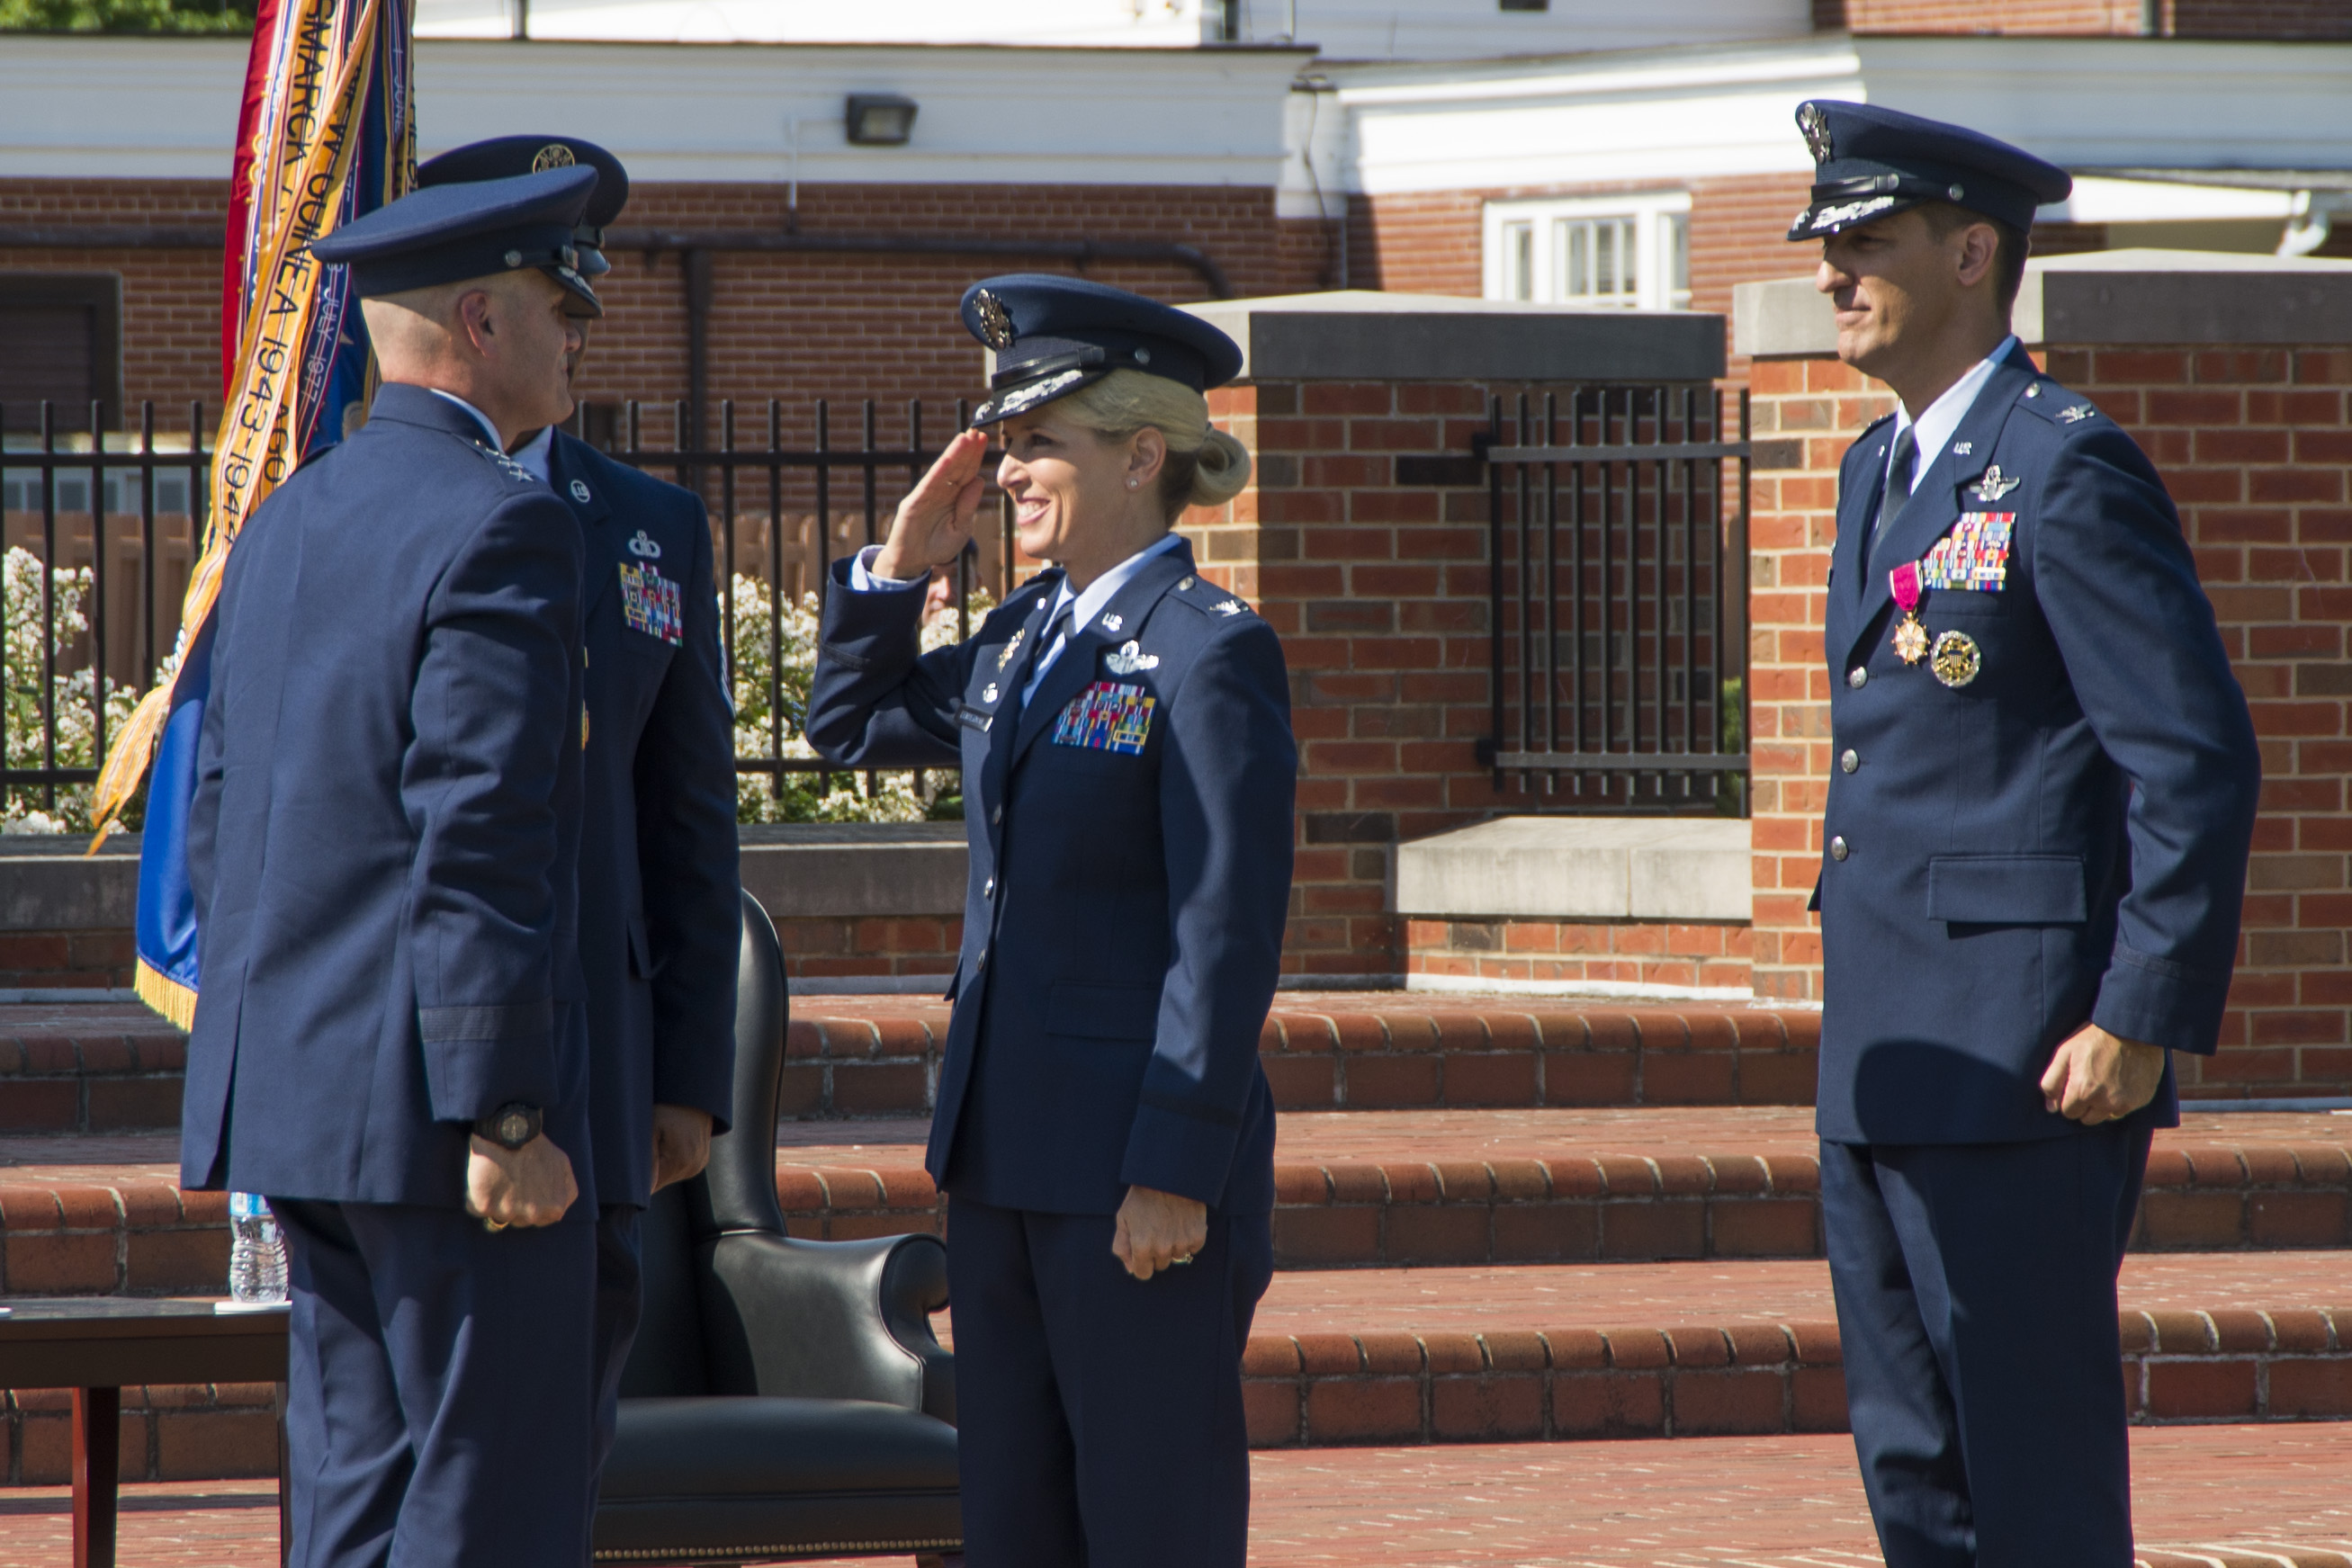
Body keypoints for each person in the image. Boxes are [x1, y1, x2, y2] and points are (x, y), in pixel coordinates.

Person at [1790, 101, 2262, 1566]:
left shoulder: (2062, 462)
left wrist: (2138, 1013)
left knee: (2029, 1459)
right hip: (1881, 1042)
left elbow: (2189, 759)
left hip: (2024, 1057)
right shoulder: (1880, 468)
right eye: (1825, 245)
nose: (1830, 273)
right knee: (1912, 1462)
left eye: (1865, 241)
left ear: (1972, 251)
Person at [805, 273, 1292, 1568]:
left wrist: (1174, 1167)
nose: (1009, 470)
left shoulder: (1206, 652)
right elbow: (848, 726)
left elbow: (1223, 926)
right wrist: (899, 568)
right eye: (1005, 444)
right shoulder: (1024, 639)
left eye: (1039, 444)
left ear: (1143, 455)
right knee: (1011, 1526)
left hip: (1134, 1173)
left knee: (1147, 1521)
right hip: (1003, 1154)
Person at [181, 166, 606, 1568]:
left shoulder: (289, 517)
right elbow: (477, 826)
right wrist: (502, 1111)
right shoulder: (505, 522)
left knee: (354, 1485)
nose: (576, 336)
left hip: (299, 1090)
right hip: (435, 1113)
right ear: (480, 321)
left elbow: (226, 807)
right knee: (489, 1490)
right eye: (559, 304)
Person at [416, 135, 741, 1524]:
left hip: (607, 1068)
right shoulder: (390, 504)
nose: (581, 340)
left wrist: (689, 1075)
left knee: (564, 1452)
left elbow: (688, 817)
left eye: (586, 309)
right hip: (432, 1062)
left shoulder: (650, 525)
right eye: (561, 307)